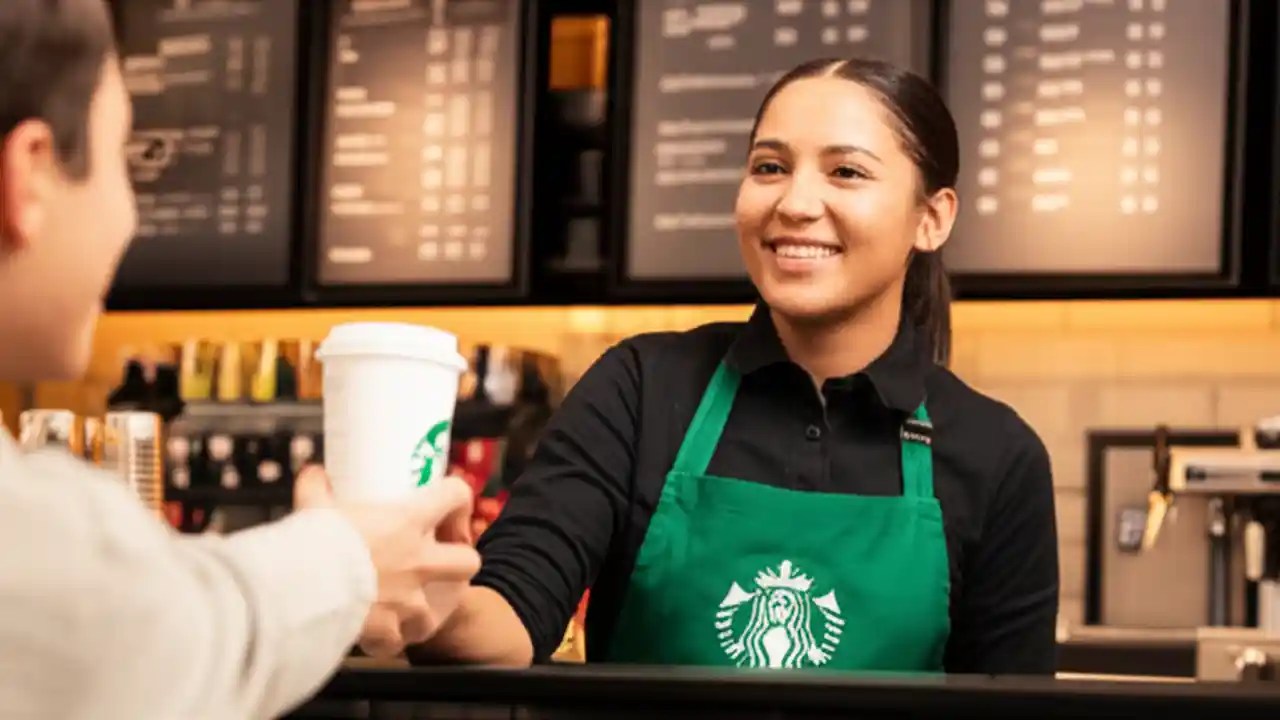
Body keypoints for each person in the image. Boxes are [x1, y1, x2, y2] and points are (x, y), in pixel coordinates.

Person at [411, 57, 1060, 674]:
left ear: (933, 217)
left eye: (846, 173)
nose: (795, 203)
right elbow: (510, 612)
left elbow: (1011, 712)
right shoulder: (640, 390)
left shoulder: (996, 456)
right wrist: (416, 595)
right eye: (770, 167)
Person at [0, 1, 480, 717]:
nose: (130, 215)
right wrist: (351, 563)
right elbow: (126, 637)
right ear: (30, 174)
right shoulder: (48, 542)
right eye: (126, 162)